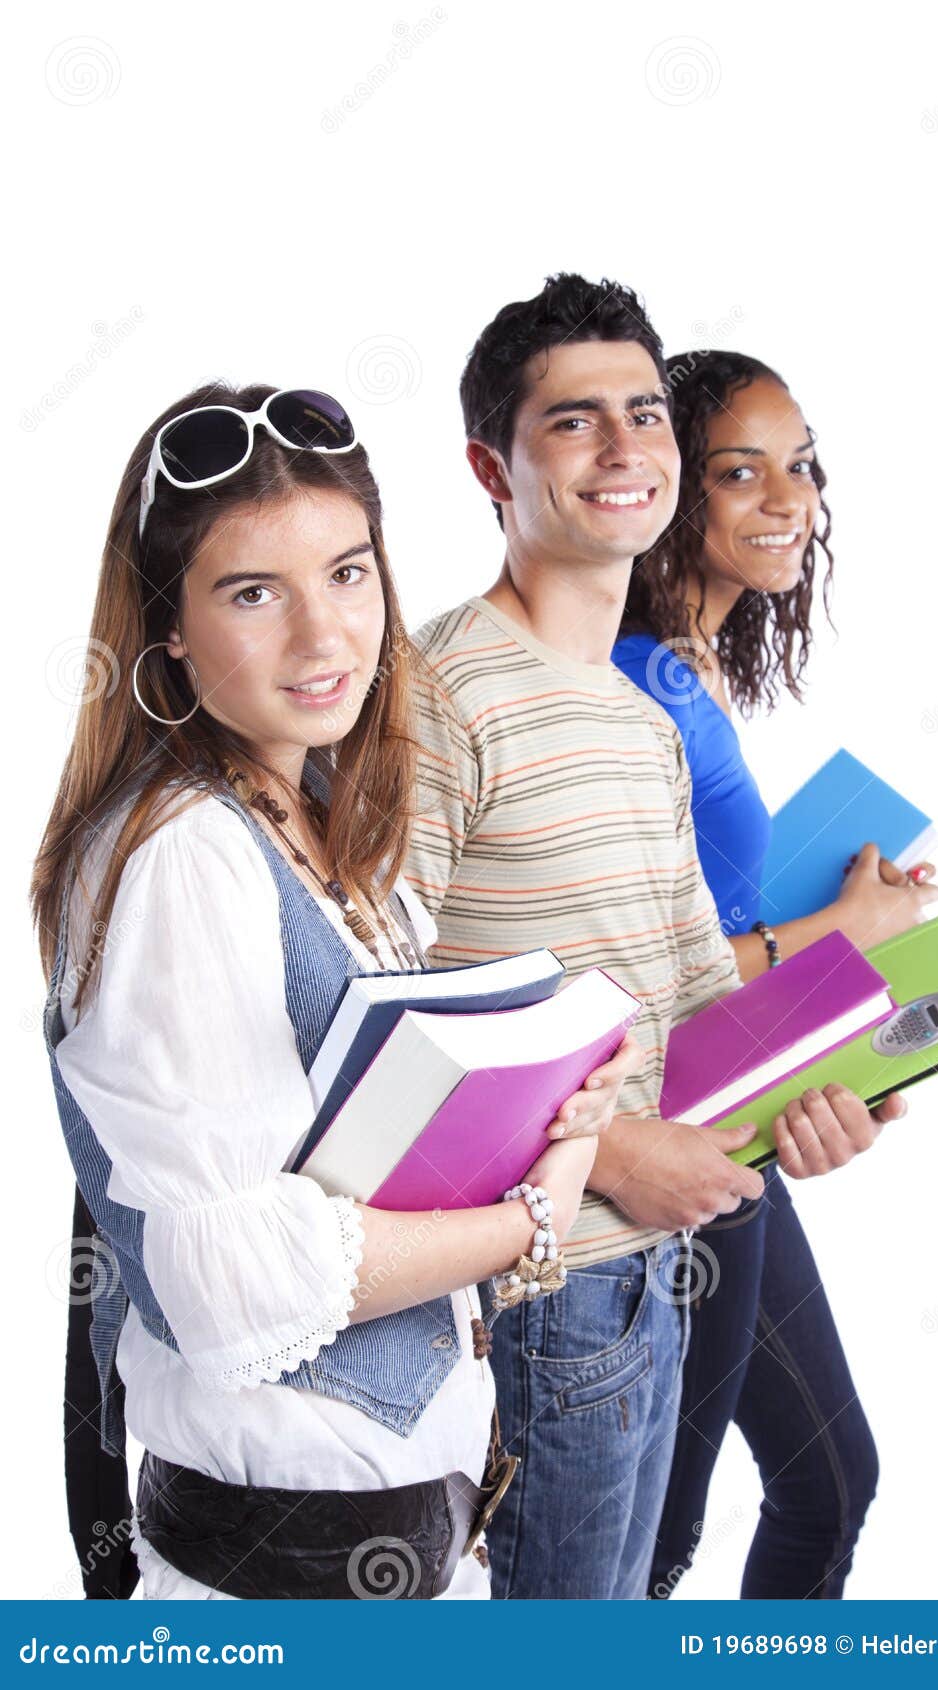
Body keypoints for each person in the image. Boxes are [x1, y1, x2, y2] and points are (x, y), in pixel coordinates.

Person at [31, 382, 637, 1601]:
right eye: (254, 593)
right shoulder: (185, 857)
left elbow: (334, 1153)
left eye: (348, 573)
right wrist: (537, 1215)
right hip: (285, 1578)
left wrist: (543, 1102)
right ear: (167, 634)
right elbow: (227, 1281)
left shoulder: (305, 820)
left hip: (391, 1555)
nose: (324, 637)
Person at [404, 277, 906, 1600]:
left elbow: (682, 1004)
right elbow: (372, 1014)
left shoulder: (634, 717)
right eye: (574, 422)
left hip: (654, 1257)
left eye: (642, 413)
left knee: (663, 1574)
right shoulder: (433, 696)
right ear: (491, 467)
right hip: (547, 1275)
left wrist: (822, 1081)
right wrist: (617, 1144)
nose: (625, 447)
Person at [615, 350, 938, 1598]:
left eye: (798, 464)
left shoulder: (689, 670)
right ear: (667, 494)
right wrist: (839, 932)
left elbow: (711, 916)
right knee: (654, 1536)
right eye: (738, 470)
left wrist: (847, 951)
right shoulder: (637, 679)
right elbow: (644, 963)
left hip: (731, 1128)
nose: (785, 496)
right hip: (663, 1153)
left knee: (826, 1479)